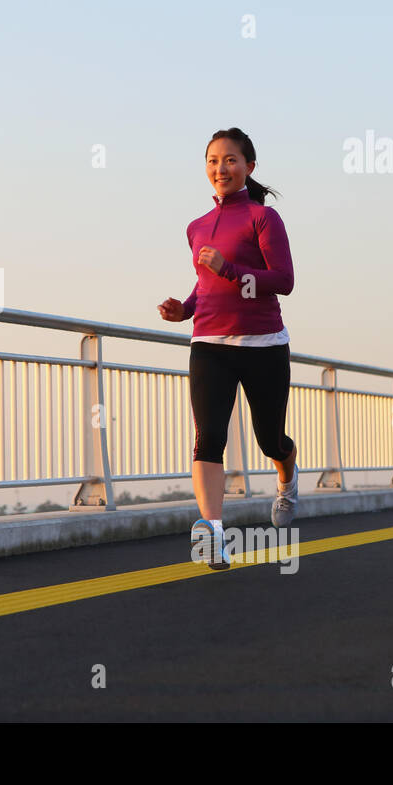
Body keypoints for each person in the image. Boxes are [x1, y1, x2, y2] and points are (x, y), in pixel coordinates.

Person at [157, 127, 299, 570]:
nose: (222, 168)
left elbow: (284, 281)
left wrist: (233, 269)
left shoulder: (263, 218)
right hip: (210, 343)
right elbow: (206, 286)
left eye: (231, 160)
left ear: (249, 167)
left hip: (263, 345)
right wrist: (184, 310)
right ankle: (214, 536)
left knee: (268, 439)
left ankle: (287, 473)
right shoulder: (195, 227)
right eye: (213, 160)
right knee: (208, 437)